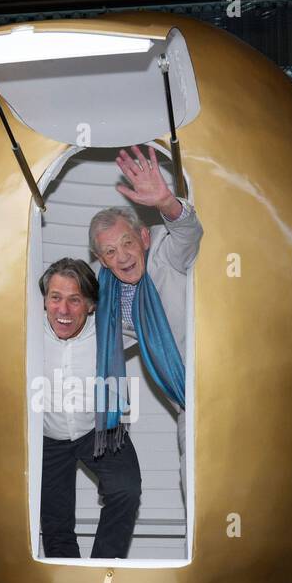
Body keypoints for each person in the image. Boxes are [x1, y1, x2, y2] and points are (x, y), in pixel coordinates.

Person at [89, 145, 202, 494]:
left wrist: (166, 202)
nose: (121, 257)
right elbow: (87, 347)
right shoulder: (107, 297)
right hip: (189, 406)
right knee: (197, 489)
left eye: (127, 243)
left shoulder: (164, 258)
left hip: (225, 388)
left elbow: (188, 232)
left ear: (145, 237)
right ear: (101, 260)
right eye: (110, 251)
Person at [39, 258, 142, 558]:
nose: (63, 310)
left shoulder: (109, 330)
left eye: (75, 300)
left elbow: (147, 313)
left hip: (99, 429)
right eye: (55, 298)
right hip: (48, 437)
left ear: (91, 305)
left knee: (126, 490)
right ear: (44, 299)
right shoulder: (26, 329)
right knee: (55, 523)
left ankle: (102, 570)